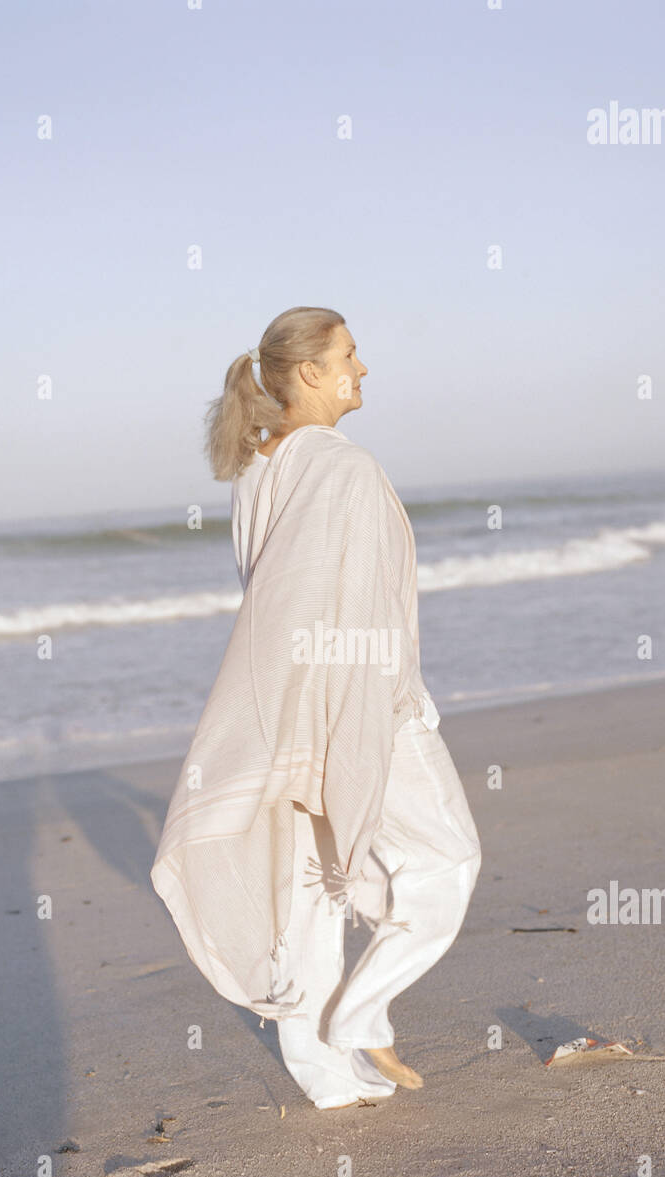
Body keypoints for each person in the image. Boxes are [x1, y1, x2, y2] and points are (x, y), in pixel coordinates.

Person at [151, 306, 481, 1109]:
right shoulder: (339, 465)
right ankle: (359, 1018)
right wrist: (393, 705)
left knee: (317, 888)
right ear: (308, 372)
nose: (361, 368)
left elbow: (284, 602)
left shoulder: (259, 470)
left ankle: (326, 1077)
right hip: (359, 705)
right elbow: (340, 605)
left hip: (293, 710)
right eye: (350, 354)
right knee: (446, 860)